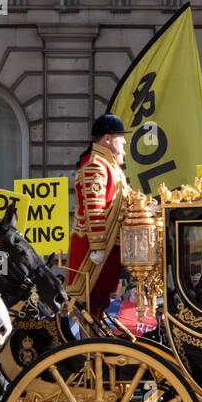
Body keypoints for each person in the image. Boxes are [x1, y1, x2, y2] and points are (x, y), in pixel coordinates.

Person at [68, 113, 132, 318]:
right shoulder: (96, 165)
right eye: (120, 136)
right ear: (107, 138)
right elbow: (94, 208)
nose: (124, 141)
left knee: (102, 298)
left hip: (110, 244)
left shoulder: (111, 166)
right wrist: (97, 246)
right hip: (95, 248)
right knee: (93, 298)